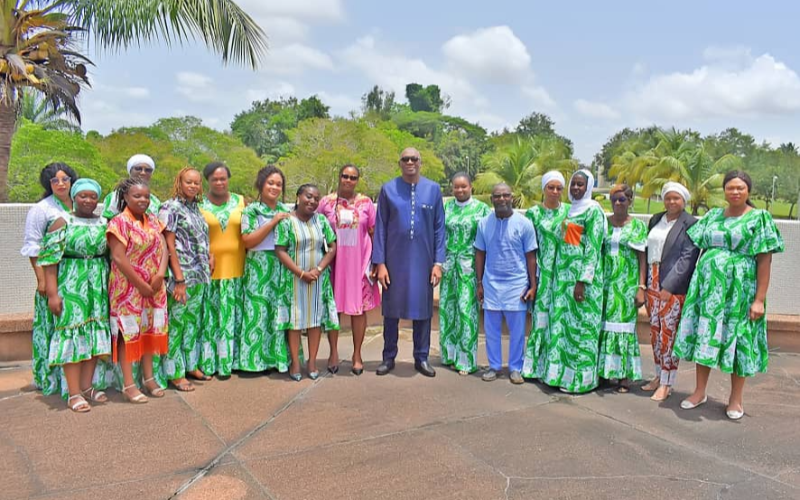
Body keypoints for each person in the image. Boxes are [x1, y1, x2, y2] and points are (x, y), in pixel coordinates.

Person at [675, 171, 784, 420]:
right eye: (730, 188)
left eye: (740, 188)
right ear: (724, 190)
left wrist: (759, 299)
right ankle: (699, 392)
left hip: (740, 292)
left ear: (748, 191)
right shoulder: (713, 215)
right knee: (705, 335)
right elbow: (694, 248)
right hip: (708, 291)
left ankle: (735, 400)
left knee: (739, 340)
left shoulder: (760, 218)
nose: (735, 192)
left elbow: (765, 260)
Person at [38, 179, 109, 412]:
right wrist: (52, 293)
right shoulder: (62, 221)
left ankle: (87, 387)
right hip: (71, 285)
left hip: (97, 285)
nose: (88, 201)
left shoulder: (104, 222)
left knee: (93, 336)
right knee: (72, 335)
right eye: (83, 196)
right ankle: (73, 392)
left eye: (92, 196)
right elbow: (49, 260)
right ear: (74, 197)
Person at [373, 148, 445, 377]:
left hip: (423, 260)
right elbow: (381, 227)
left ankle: (421, 357)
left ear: (420, 162)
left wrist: (438, 262)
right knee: (391, 310)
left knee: (423, 310)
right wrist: (380, 263)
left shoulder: (433, 190)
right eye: (406, 159)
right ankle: (388, 356)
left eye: (414, 159)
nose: (410, 162)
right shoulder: (388, 189)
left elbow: (439, 228)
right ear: (400, 163)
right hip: (394, 260)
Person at [541, 169, 606, 393]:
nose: (576, 188)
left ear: (588, 187)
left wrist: (582, 280)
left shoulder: (594, 211)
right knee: (565, 328)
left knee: (581, 329)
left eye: (580, 185)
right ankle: (561, 375)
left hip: (582, 281)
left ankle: (580, 381)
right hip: (565, 277)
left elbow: (593, 249)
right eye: (574, 184)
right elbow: (573, 243)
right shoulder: (573, 211)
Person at [107, 178, 170, 404]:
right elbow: (118, 257)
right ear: (125, 197)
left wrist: (160, 274)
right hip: (127, 287)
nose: (142, 200)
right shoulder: (118, 223)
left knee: (149, 329)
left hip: (154, 285)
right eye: (137, 196)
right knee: (128, 334)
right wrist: (140, 284)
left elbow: (164, 247)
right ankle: (128, 384)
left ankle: (149, 378)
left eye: (146, 196)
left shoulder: (153, 220)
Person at [317, 164, 381, 375]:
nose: (348, 180)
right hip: (334, 262)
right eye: (345, 176)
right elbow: (316, 228)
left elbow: (373, 232)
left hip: (359, 263)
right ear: (339, 177)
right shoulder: (326, 202)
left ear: (357, 180)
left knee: (359, 309)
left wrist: (377, 262)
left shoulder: (365, 203)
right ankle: (333, 352)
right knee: (333, 309)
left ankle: (357, 354)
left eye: (353, 177)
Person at [20, 163, 77, 396]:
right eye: (55, 180)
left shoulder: (81, 202)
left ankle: (75, 377)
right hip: (52, 276)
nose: (61, 184)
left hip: (75, 277)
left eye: (65, 179)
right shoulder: (41, 209)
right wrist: (42, 280)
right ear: (48, 184)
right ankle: (49, 378)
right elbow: (33, 247)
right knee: (51, 328)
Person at [641, 182, 699, 402]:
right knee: (655, 332)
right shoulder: (656, 219)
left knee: (668, 335)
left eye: (676, 198)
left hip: (671, 287)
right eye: (668, 198)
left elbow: (687, 258)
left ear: (683, 201)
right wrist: (647, 285)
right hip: (652, 280)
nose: (671, 202)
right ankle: (658, 376)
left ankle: (667, 383)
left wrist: (669, 286)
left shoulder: (690, 224)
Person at [474, 183, 538, 384]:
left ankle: (515, 368)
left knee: (517, 331)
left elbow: (531, 256)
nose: (501, 199)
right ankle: (493, 366)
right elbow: (479, 253)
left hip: (516, 284)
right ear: (491, 200)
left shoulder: (524, 224)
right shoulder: (484, 223)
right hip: (491, 282)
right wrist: (479, 282)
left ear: (512, 198)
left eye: (505, 195)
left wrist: (532, 285)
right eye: (497, 196)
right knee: (491, 329)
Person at [275, 184, 339, 381]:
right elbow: (280, 250)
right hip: (294, 278)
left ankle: (311, 361)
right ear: (298, 197)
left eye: (316, 198)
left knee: (314, 321)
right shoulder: (286, 221)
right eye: (308, 196)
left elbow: (332, 246)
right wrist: (301, 273)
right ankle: (295, 362)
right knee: (295, 321)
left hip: (318, 279)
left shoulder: (321, 220)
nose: (312, 201)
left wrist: (318, 269)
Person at [159, 168, 212, 391]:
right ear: (179, 182)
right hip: (181, 276)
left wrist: (211, 255)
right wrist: (178, 280)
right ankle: (174, 372)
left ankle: (190, 365)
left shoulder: (196, 209)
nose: (193, 186)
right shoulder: (170, 207)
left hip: (198, 275)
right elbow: (167, 244)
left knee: (192, 323)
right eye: (188, 182)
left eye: (197, 183)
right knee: (177, 324)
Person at [239, 166, 292, 373]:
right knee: (257, 312)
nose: (275, 187)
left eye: (279, 184)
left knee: (277, 311)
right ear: (261, 184)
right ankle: (253, 361)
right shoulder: (251, 210)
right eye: (270, 183)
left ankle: (277, 359)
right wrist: (273, 222)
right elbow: (248, 241)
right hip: (258, 265)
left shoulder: (285, 210)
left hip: (281, 265)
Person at [439, 172, 491, 375]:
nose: (460, 190)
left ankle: (466, 360)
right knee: (448, 309)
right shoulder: (447, 207)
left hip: (470, 267)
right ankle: (449, 354)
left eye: (464, 187)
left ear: (471, 188)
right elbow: (440, 236)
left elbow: (487, 239)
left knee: (466, 311)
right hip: (449, 265)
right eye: (456, 187)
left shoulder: (482, 209)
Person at [597, 184, 647, 392]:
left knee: (624, 327)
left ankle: (624, 376)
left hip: (626, 283)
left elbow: (642, 257)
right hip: (604, 282)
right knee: (604, 325)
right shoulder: (602, 224)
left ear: (630, 201)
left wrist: (641, 286)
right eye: (615, 199)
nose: (618, 203)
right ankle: (605, 373)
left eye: (622, 200)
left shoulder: (637, 226)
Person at [199, 162, 246, 379]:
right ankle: (210, 363)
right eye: (215, 179)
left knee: (234, 319)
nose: (219, 182)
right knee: (212, 321)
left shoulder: (241, 201)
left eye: (223, 178)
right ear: (207, 180)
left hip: (238, 269)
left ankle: (233, 362)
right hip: (210, 272)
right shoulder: (198, 203)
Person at [522, 171, 570, 379]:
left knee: (559, 320)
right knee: (540, 319)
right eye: (551, 187)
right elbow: (528, 248)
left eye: (559, 188)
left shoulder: (570, 212)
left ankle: (555, 369)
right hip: (542, 273)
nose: (555, 191)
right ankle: (535, 368)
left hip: (563, 273)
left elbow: (573, 244)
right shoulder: (533, 214)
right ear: (543, 189)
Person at [102, 154, 161, 218]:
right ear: (130, 171)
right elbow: (106, 222)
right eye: (138, 169)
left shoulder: (155, 201)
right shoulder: (113, 197)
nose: (143, 172)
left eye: (148, 170)